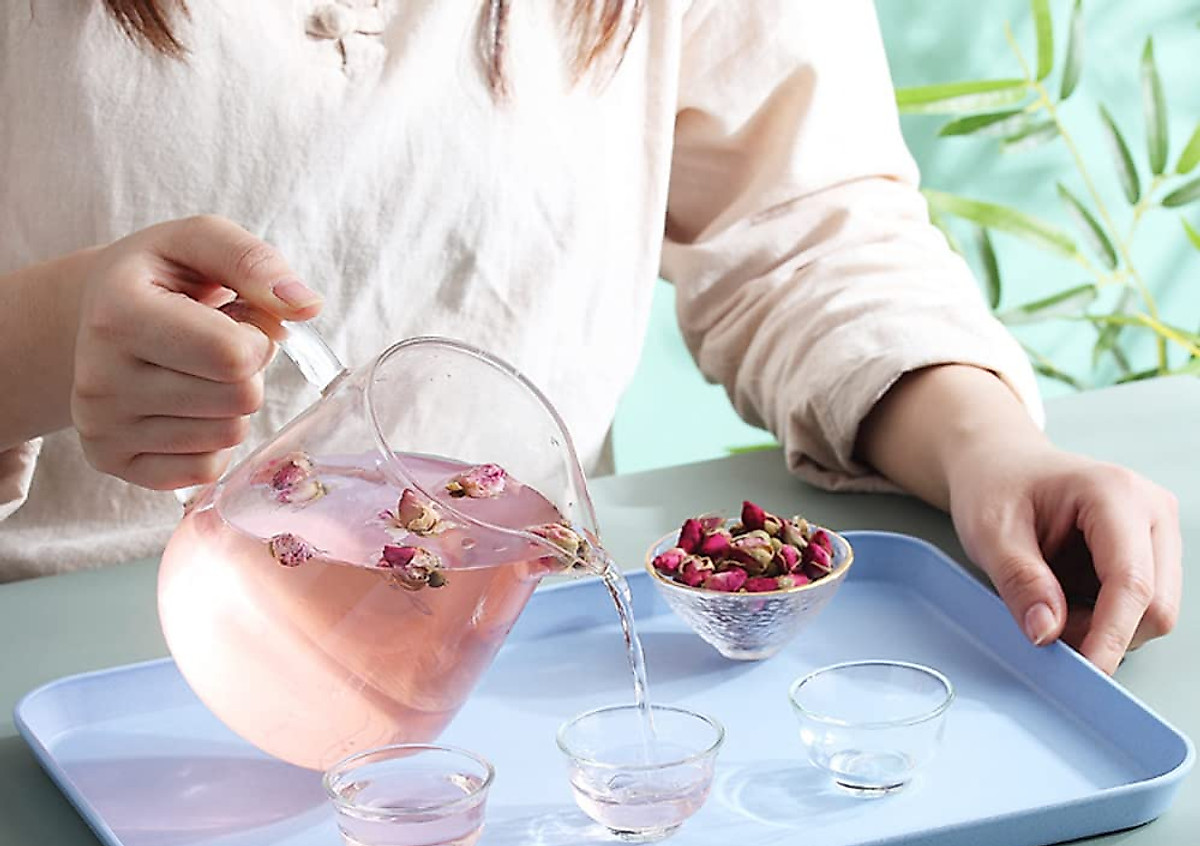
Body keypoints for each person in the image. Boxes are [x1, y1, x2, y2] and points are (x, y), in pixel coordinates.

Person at [0, 0, 1180, 675]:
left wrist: (987, 449)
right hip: (66, 660)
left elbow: (803, 228)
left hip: (514, 645)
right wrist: (49, 341)